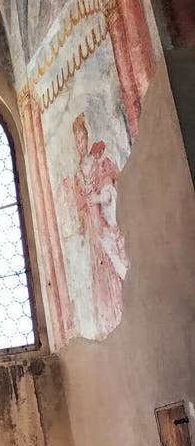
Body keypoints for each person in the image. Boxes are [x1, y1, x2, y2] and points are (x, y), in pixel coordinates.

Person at [68, 113, 128, 338]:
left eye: (83, 138)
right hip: (92, 228)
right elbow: (80, 207)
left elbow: (109, 189)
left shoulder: (98, 161)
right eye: (78, 141)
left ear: (87, 137)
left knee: (112, 263)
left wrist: (97, 199)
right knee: (98, 268)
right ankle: (106, 318)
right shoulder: (77, 173)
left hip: (103, 221)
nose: (82, 144)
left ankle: (122, 308)